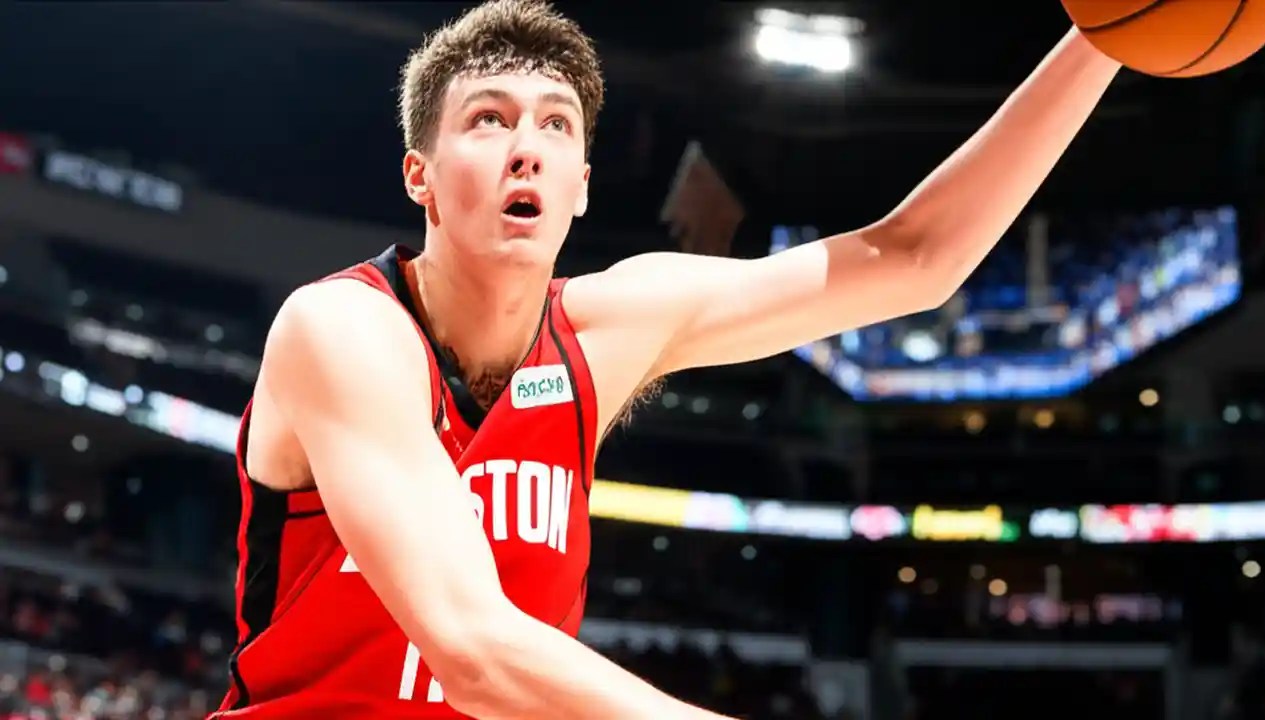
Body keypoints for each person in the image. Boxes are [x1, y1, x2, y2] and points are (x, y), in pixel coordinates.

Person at [211, 0, 1121, 717]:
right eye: (488, 121)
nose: (526, 149)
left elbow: (915, 258)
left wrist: (1104, 38)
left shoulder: (610, 329)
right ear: (421, 176)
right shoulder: (344, 329)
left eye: (556, 126)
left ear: (581, 187)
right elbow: (472, 650)